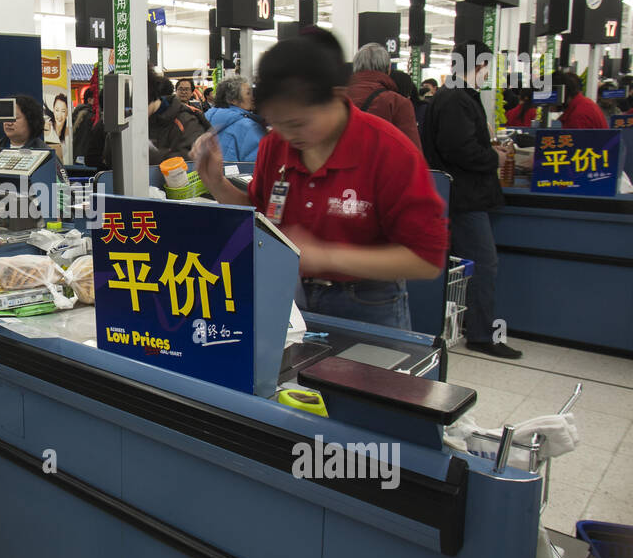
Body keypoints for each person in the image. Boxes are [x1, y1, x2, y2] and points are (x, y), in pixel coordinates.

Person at [192, 38, 447, 330]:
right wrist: (216, 181)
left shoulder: (388, 150)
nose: (287, 134)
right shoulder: (276, 146)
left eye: (298, 123)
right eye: (277, 122)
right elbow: (261, 217)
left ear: (336, 96)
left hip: (366, 304)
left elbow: (425, 258)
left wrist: (327, 256)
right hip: (289, 297)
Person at [421, 40, 521, 358]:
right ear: (478, 66)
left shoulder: (454, 96)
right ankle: (480, 334)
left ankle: (451, 327)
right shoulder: (455, 99)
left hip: (458, 196)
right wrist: (492, 156)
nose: (487, 74)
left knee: (452, 266)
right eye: (487, 68)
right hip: (464, 198)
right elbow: (458, 148)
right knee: (484, 263)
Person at [345, 43, 421, 148]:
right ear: (388, 69)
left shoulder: (334, 99)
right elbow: (412, 152)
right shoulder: (397, 103)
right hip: (381, 163)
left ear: (355, 67)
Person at [148, 70, 211, 163]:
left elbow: (189, 163)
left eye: (187, 89)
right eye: (181, 89)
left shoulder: (188, 120)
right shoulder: (145, 119)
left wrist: (146, 154)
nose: (184, 92)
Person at [205, 74, 266, 162]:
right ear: (232, 100)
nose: (253, 97)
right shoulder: (249, 127)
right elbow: (257, 165)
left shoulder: (206, 119)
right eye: (248, 93)